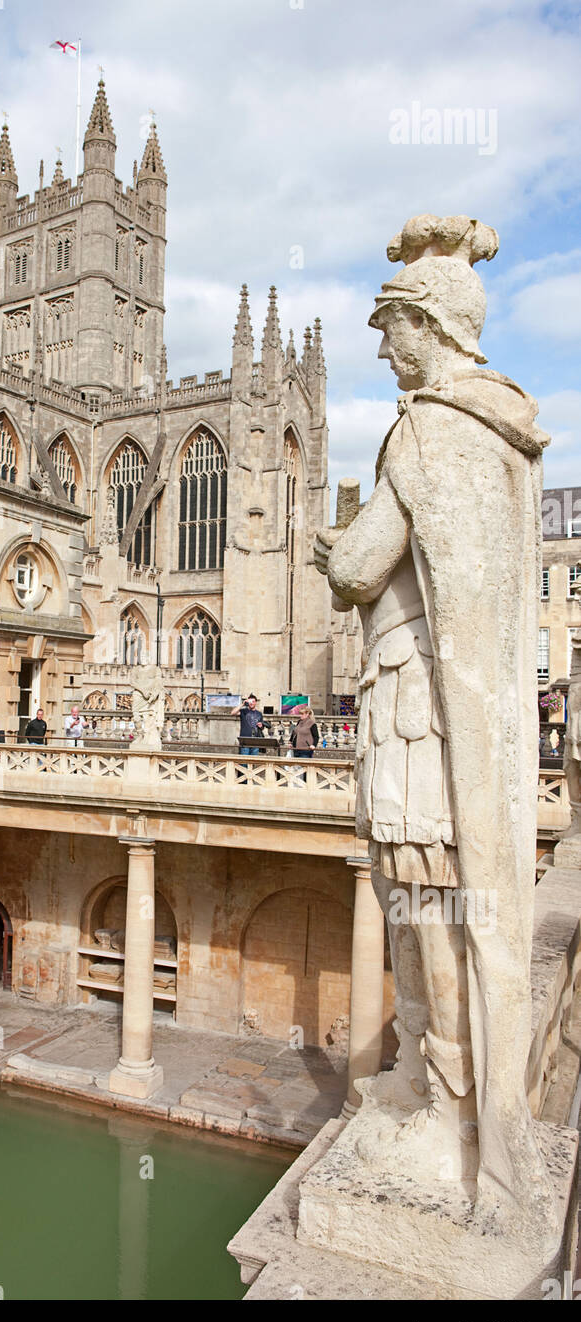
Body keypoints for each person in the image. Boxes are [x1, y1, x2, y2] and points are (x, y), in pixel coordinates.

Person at [314, 214, 553, 1232]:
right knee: (433, 912)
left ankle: (444, 1099)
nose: (379, 347)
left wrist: (329, 549)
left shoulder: (428, 427)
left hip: (418, 718)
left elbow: (361, 567)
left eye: (389, 327)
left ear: (426, 323)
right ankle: (432, 1084)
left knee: (426, 916)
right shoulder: (501, 428)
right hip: (439, 722)